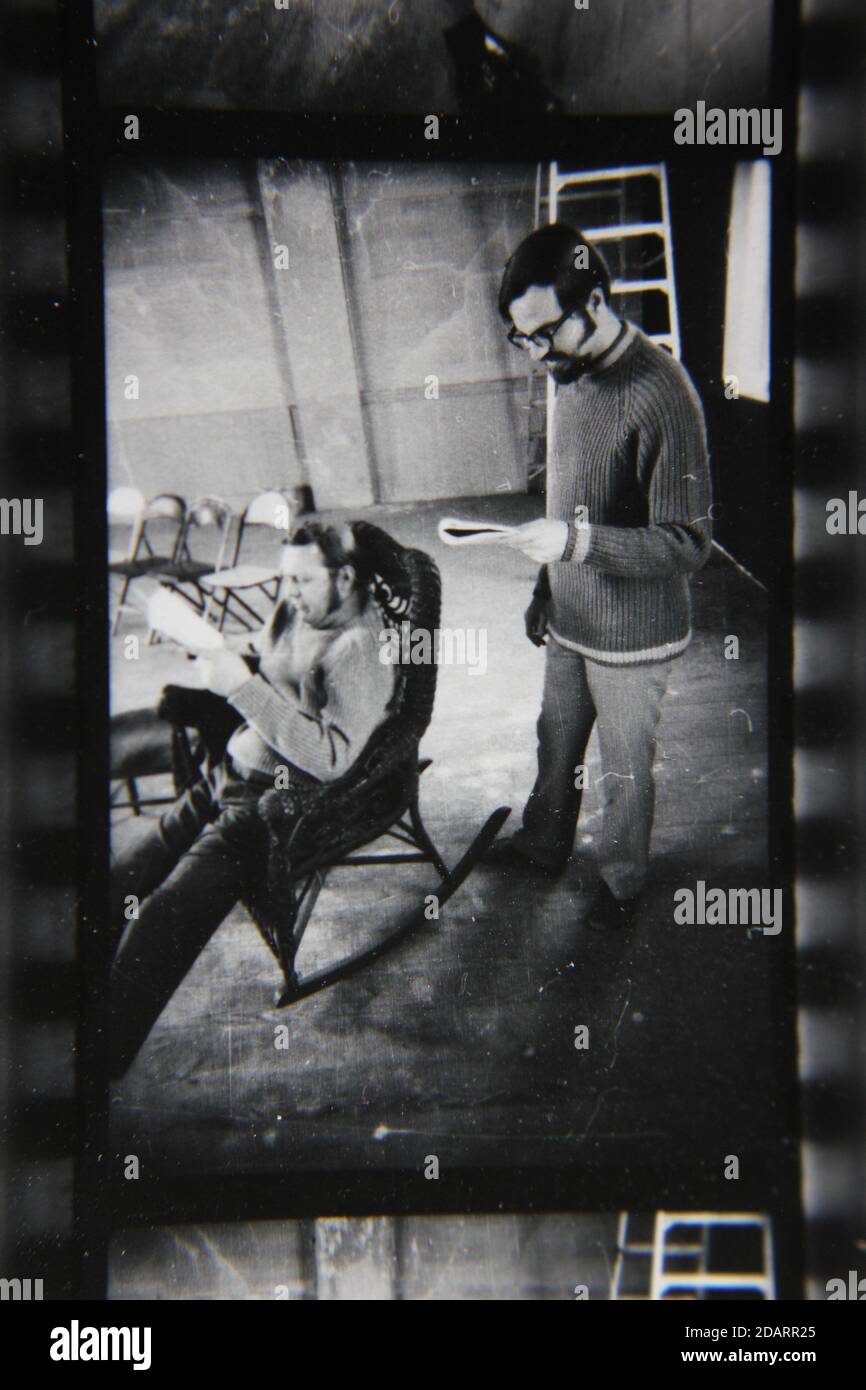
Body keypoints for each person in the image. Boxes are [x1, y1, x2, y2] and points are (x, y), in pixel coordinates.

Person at [487, 223, 712, 931]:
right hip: (571, 616)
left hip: (634, 636)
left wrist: (576, 544)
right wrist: (544, 588)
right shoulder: (570, 372)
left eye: (544, 333)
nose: (535, 354)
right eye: (520, 338)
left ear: (593, 304)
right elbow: (569, 496)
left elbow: (687, 542)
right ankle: (543, 843)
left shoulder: (662, 392)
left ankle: (622, 883)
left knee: (623, 767)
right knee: (555, 740)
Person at [109, 520, 395, 1075]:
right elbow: (265, 659)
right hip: (231, 773)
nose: (288, 594)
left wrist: (240, 686)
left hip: (274, 809)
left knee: (161, 921)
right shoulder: (295, 610)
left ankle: (94, 1064)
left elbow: (333, 758)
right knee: (125, 874)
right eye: (285, 579)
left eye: (303, 581)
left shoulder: (362, 646)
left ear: (346, 576)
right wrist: (217, 654)